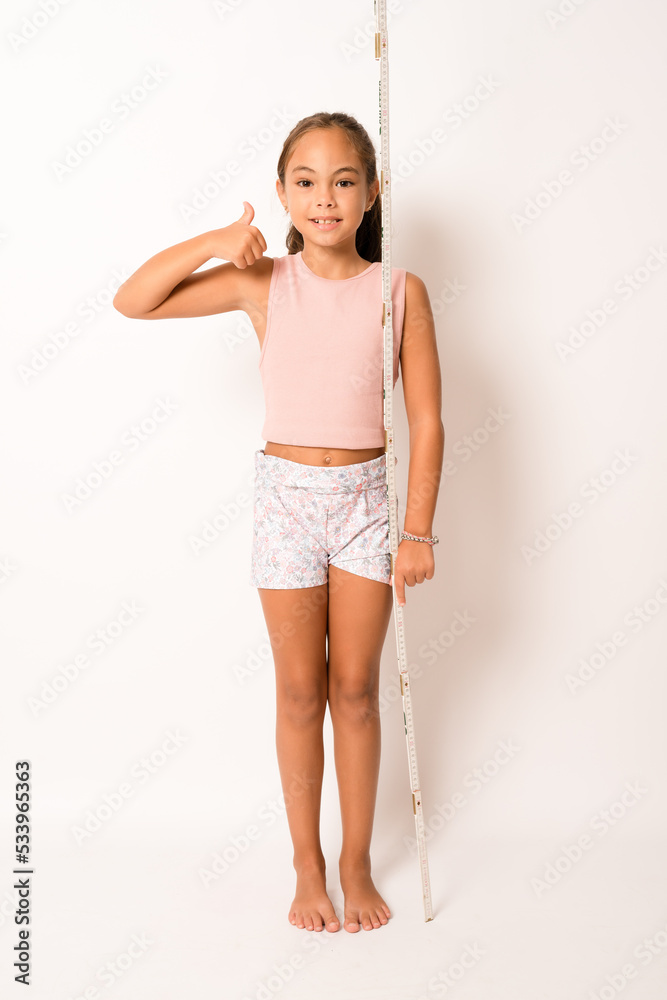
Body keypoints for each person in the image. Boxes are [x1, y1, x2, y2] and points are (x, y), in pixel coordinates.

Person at [113, 111, 444, 934]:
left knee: (354, 692)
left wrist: (416, 530)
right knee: (298, 694)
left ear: (372, 192)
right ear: (282, 194)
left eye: (342, 181)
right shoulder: (264, 285)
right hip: (286, 505)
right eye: (306, 181)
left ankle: (357, 861)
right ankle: (307, 863)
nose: (324, 198)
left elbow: (428, 421)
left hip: (368, 507)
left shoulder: (398, 292)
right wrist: (219, 240)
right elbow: (134, 301)